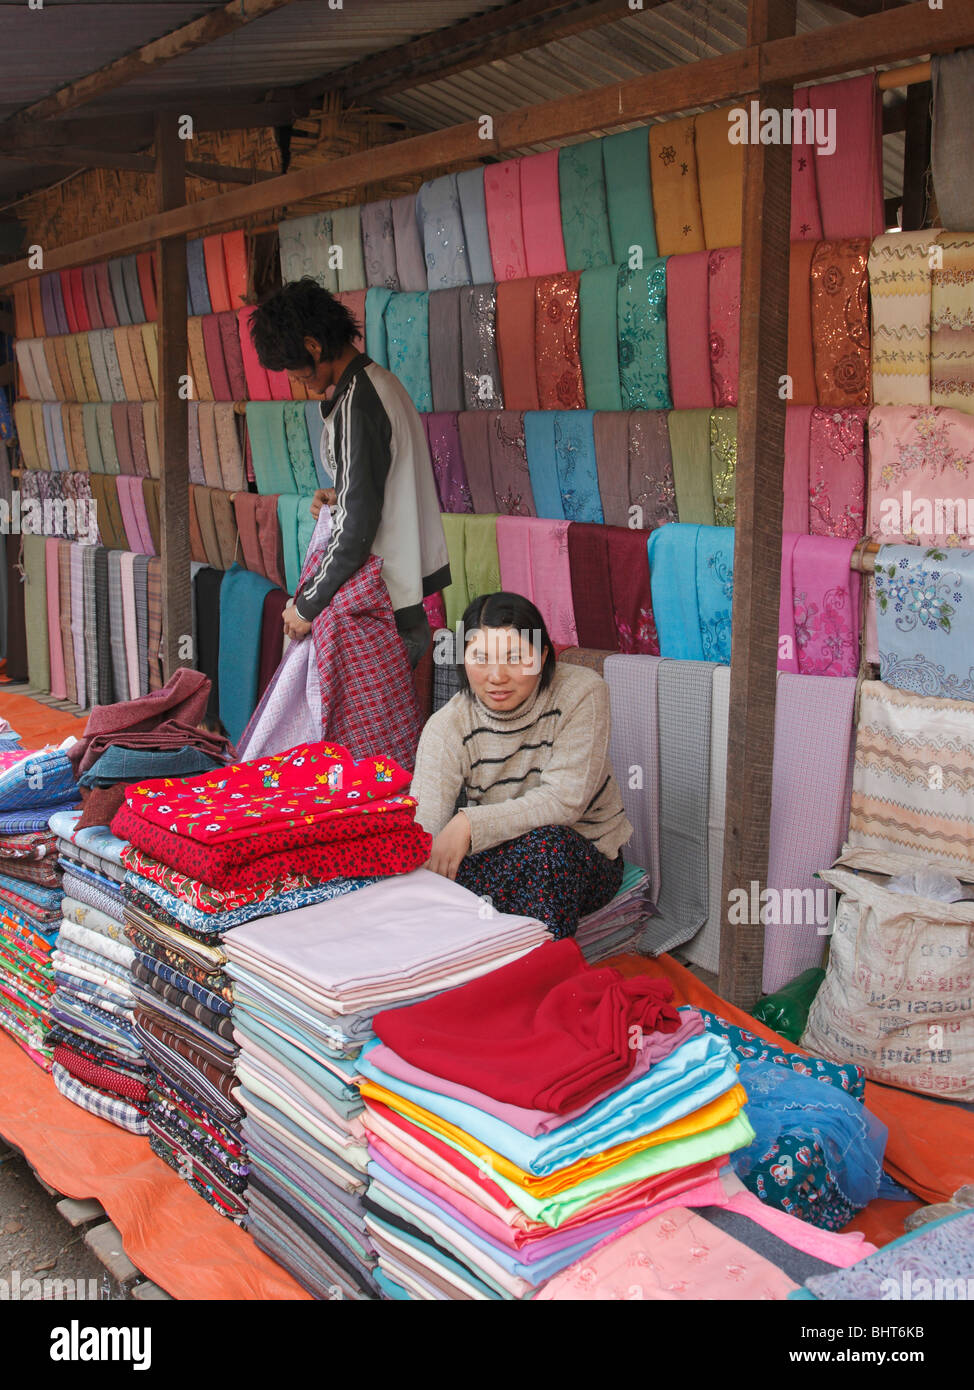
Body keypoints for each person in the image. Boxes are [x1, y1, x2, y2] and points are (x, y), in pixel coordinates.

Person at [248, 278, 450, 668]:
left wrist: (306, 606)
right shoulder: (376, 385)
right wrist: (341, 493)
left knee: (356, 730)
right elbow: (379, 489)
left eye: (295, 370)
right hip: (392, 602)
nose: (296, 382)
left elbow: (357, 527)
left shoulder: (358, 405)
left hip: (378, 610)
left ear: (313, 346)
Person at [410, 591, 633, 938]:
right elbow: (424, 830)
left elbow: (564, 801)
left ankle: (541, 972)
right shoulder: (448, 725)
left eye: (515, 658)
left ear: (543, 656)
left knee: (549, 849)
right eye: (481, 659)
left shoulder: (582, 694)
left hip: (582, 856)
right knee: (427, 881)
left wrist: (468, 823)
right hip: (500, 856)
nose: (497, 676)